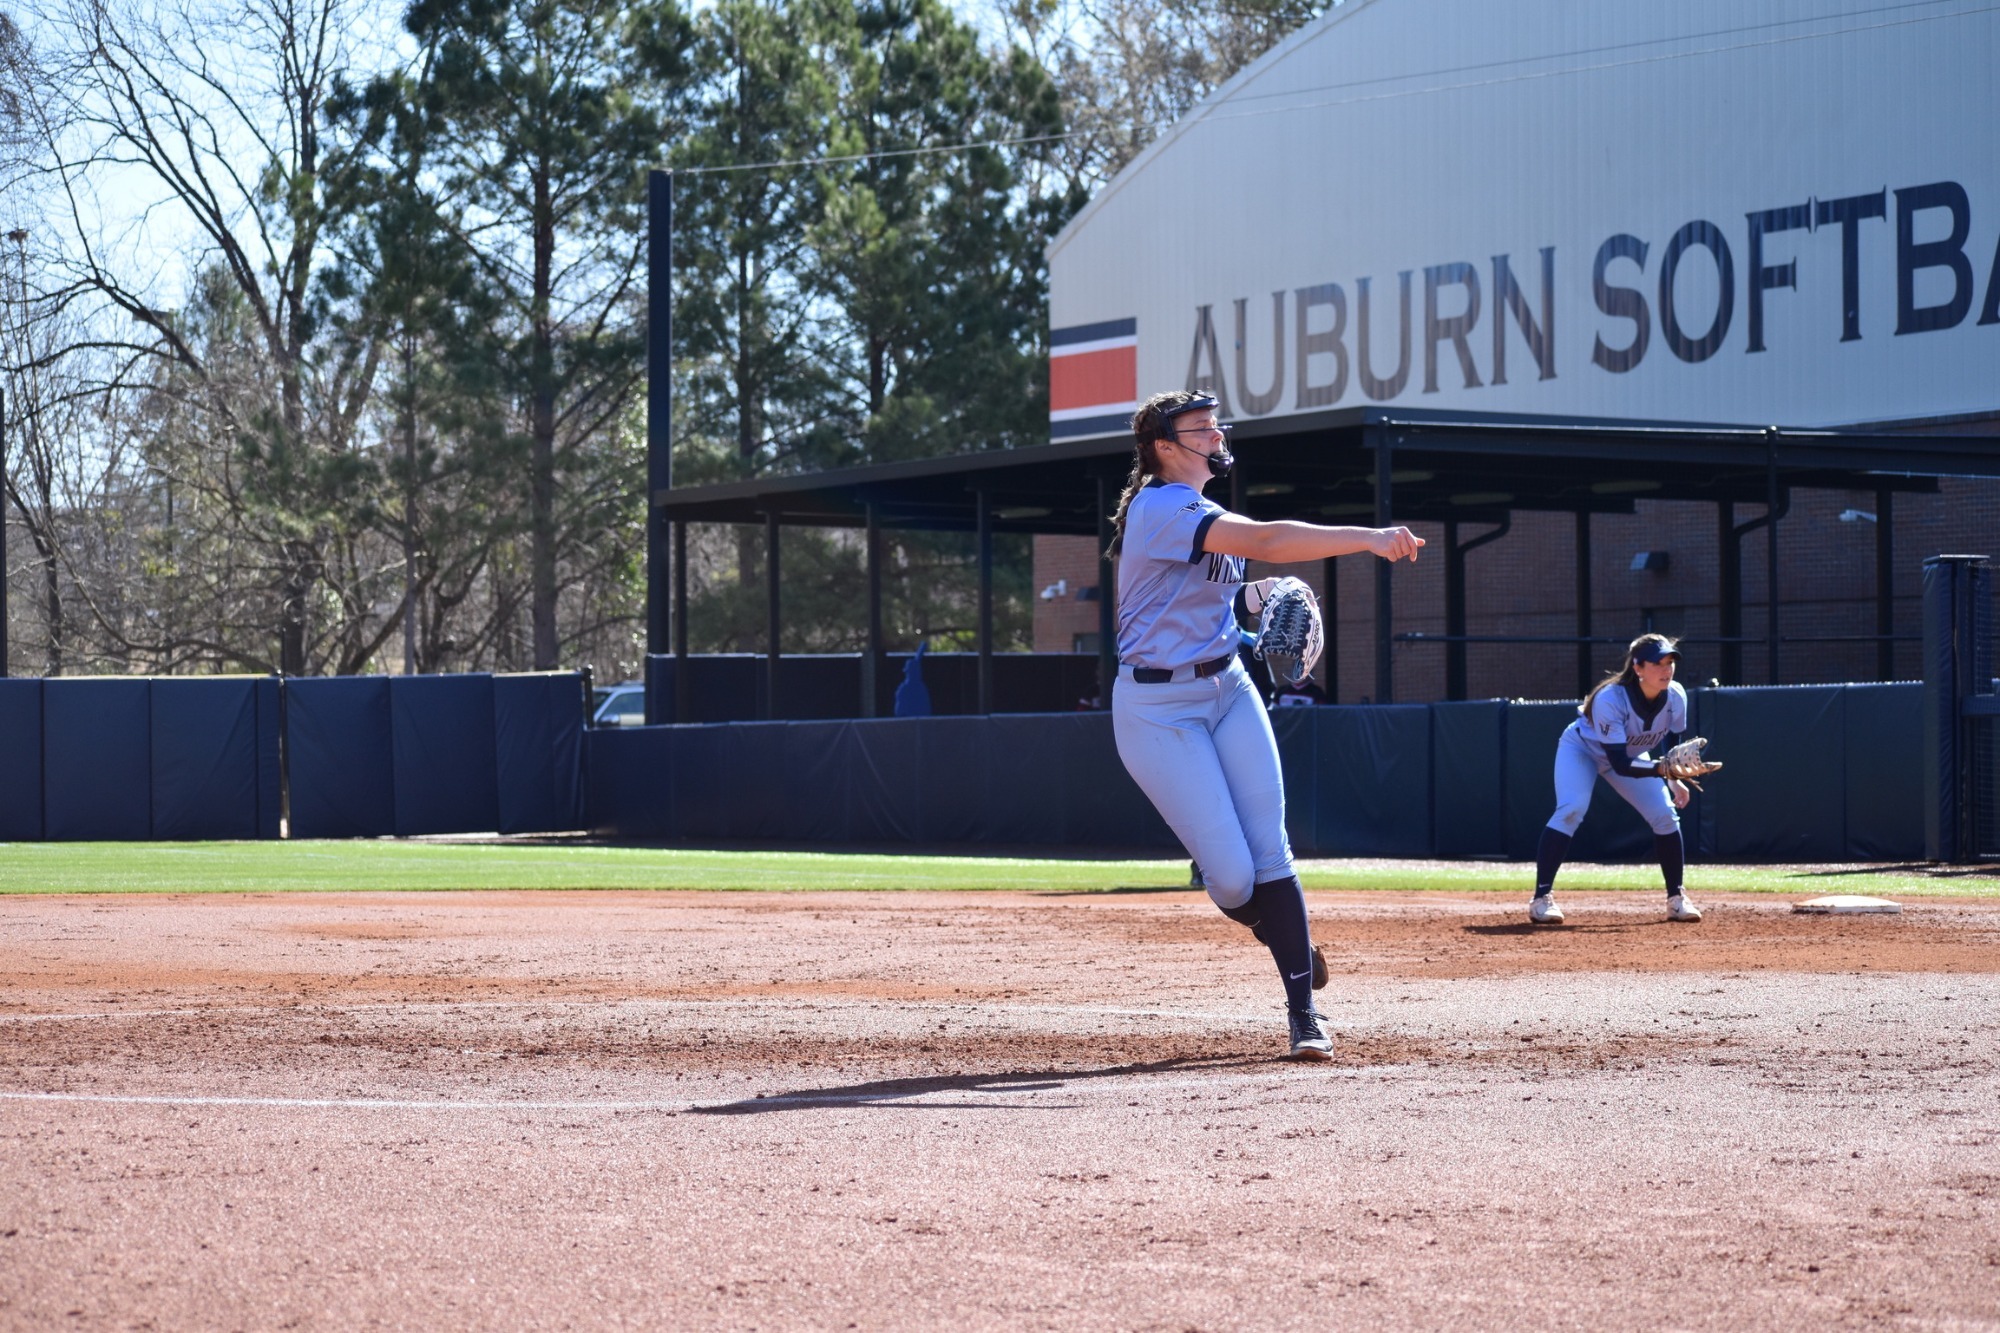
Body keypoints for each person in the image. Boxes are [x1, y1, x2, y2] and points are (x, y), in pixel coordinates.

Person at [1108, 389, 1423, 1059]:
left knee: (1270, 847)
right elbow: (1267, 539)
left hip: (1226, 687)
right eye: (1200, 427)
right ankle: (1285, 935)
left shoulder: (1203, 510)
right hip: (1156, 710)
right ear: (1165, 448)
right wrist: (1369, 538)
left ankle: (1303, 1010)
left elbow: (1223, 591)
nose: (1216, 433)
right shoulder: (1161, 505)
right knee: (1231, 879)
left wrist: (1265, 596)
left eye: (1215, 423)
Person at [1528, 632, 1702, 926]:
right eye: (1658, 662)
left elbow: (1673, 745)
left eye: (1670, 661)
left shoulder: (1676, 695)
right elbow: (1620, 763)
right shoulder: (1611, 698)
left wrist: (1674, 778)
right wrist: (1663, 770)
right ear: (1638, 668)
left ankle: (1676, 899)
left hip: (1632, 754)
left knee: (1665, 815)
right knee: (1572, 809)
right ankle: (1540, 899)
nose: (1666, 668)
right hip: (1584, 749)